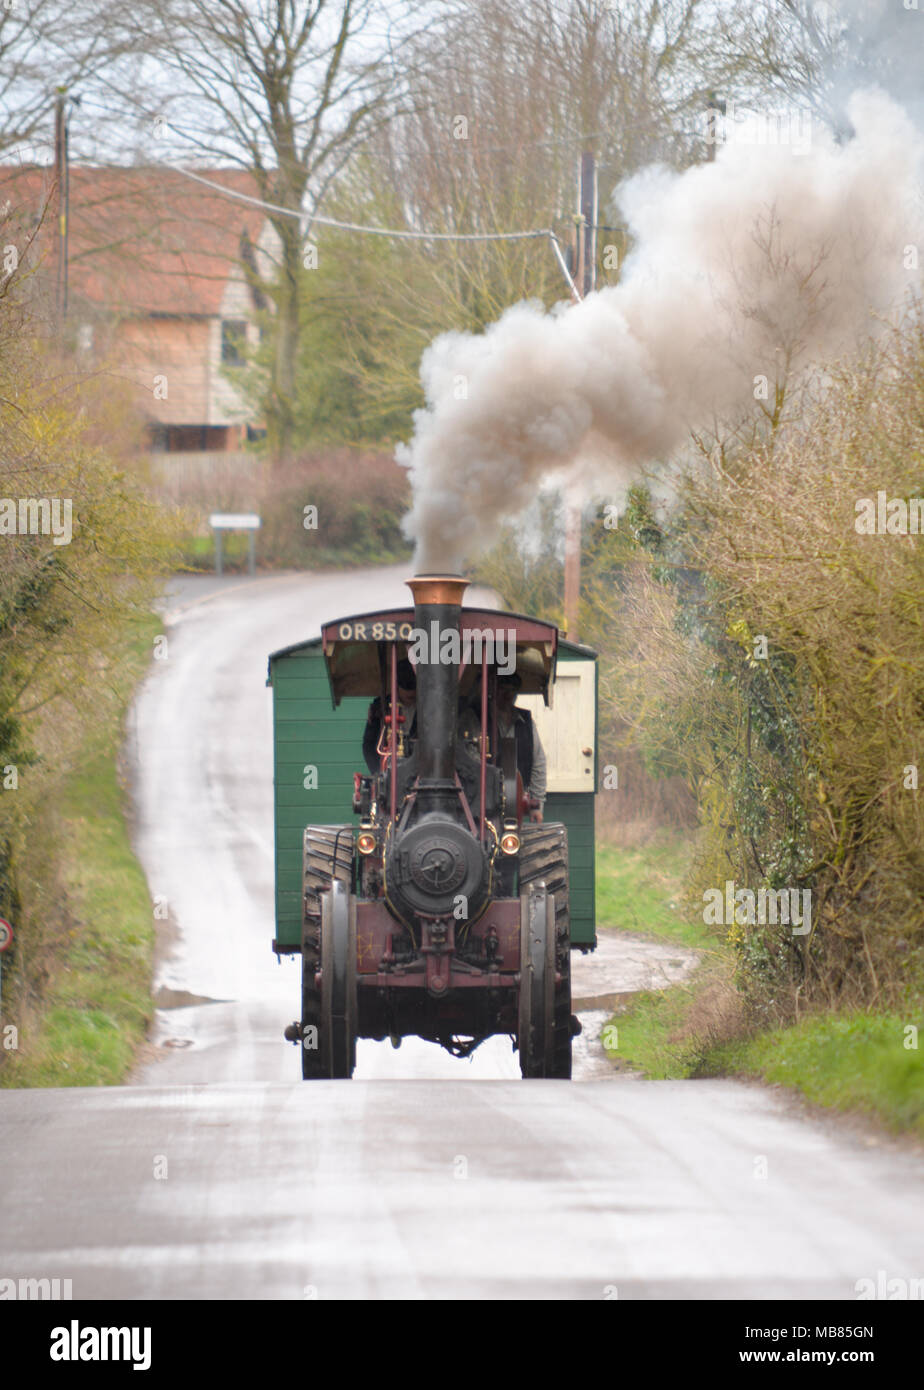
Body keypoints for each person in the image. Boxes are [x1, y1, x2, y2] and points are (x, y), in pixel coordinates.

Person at [496, 672, 546, 823]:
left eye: (512, 690)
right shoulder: (476, 718)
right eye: (503, 689)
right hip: (484, 803)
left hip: (517, 804)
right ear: (493, 690)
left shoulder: (526, 722)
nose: (507, 694)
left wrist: (536, 806)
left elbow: (538, 763)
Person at [363, 659, 417, 774]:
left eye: (413, 687)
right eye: (405, 687)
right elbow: (368, 745)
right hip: (389, 771)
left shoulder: (427, 707)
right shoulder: (380, 706)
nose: (410, 693)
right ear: (396, 685)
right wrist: (378, 773)